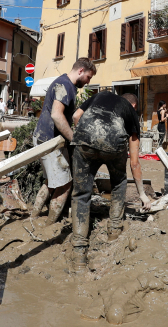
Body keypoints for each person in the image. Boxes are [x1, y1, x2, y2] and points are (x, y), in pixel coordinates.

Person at [69, 92, 153, 271]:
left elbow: (76, 116)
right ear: (134, 106)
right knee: (119, 182)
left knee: (81, 195)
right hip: (113, 143)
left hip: (84, 137)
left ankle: (78, 256)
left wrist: (86, 140)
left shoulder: (100, 95)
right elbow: (135, 163)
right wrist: (143, 196)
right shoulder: (130, 112)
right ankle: (114, 232)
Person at [29, 58, 97, 222]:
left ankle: (34, 216)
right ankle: (49, 225)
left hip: (42, 137)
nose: (88, 82)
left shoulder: (64, 83)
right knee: (65, 184)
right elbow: (56, 115)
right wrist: (74, 139)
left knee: (50, 181)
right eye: (88, 77)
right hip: (50, 141)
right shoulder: (65, 84)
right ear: (81, 71)